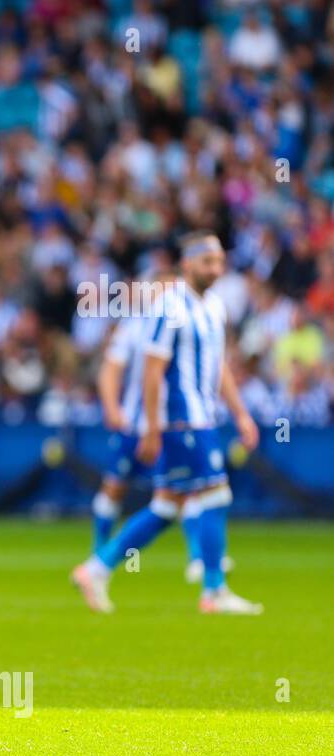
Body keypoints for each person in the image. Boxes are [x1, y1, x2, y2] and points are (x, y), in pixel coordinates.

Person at [72, 233, 262, 615]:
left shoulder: (214, 307)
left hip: (202, 417)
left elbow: (218, 366)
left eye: (220, 261)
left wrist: (240, 412)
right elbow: (153, 370)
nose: (216, 269)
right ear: (187, 263)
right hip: (180, 420)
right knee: (214, 495)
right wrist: (154, 427)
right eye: (208, 261)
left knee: (166, 508)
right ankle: (214, 589)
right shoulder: (168, 308)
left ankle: (98, 567)